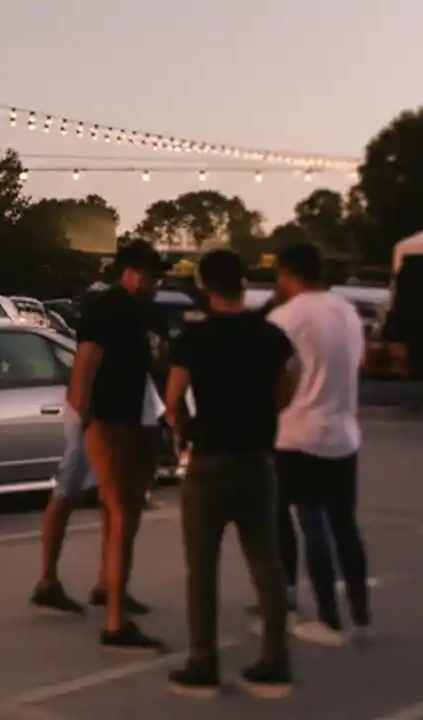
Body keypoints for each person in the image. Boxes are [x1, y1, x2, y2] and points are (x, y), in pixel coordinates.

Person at [164, 249, 298, 698]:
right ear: (243, 282)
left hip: (209, 459)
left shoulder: (194, 338)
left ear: (204, 285)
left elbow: (174, 398)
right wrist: (264, 420)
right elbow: (286, 389)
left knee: (202, 567)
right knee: (266, 562)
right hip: (257, 459)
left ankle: (204, 660)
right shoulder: (270, 335)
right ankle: (275, 657)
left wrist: (183, 433)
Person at [268, 242, 371, 646]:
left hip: (297, 432)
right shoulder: (346, 311)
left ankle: (325, 615)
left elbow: (274, 372)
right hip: (343, 433)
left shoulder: (285, 316)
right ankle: (360, 613)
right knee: (344, 525)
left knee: (306, 524)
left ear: (287, 274)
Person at [67, 240, 167, 652]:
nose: (156, 282)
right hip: (111, 421)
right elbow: (85, 363)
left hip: (133, 418)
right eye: (151, 275)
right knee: (122, 510)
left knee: (121, 509)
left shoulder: (138, 311)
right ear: (130, 273)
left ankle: (109, 588)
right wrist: (88, 416)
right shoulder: (109, 308)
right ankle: (114, 624)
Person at [30, 375, 163, 617]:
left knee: (101, 498)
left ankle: (106, 584)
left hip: (95, 414)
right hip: (100, 418)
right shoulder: (124, 348)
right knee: (94, 497)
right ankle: (61, 583)